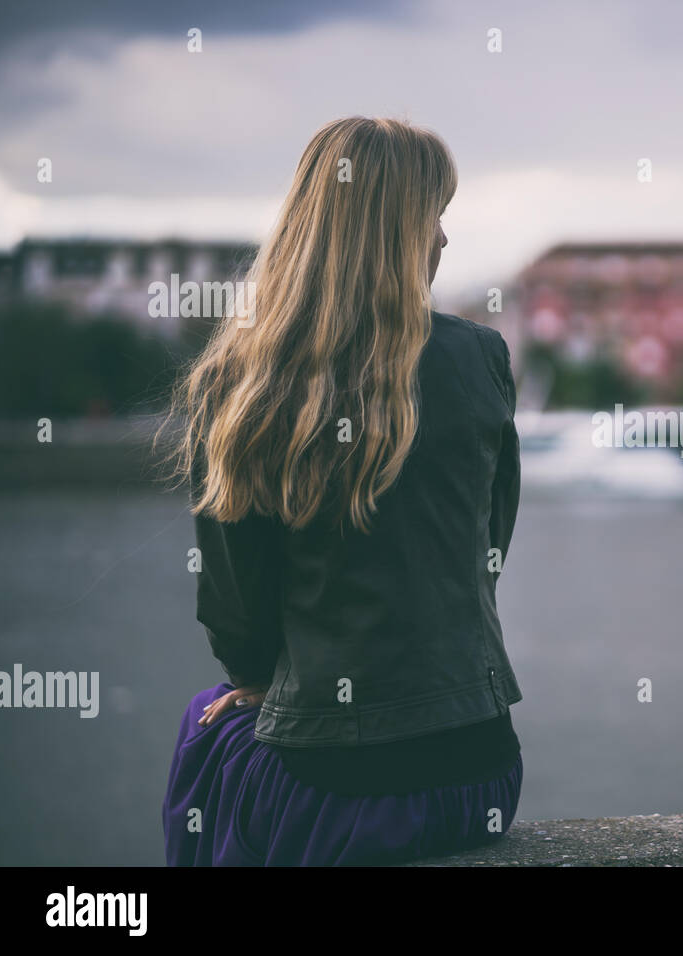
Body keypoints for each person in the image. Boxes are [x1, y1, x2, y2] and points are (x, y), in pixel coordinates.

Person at [157, 117, 523, 866]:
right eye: (433, 217)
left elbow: (237, 607)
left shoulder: (242, 379)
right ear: (395, 232)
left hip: (332, 788)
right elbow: (488, 550)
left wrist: (259, 680)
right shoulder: (479, 358)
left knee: (208, 725)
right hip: (478, 772)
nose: (444, 240)